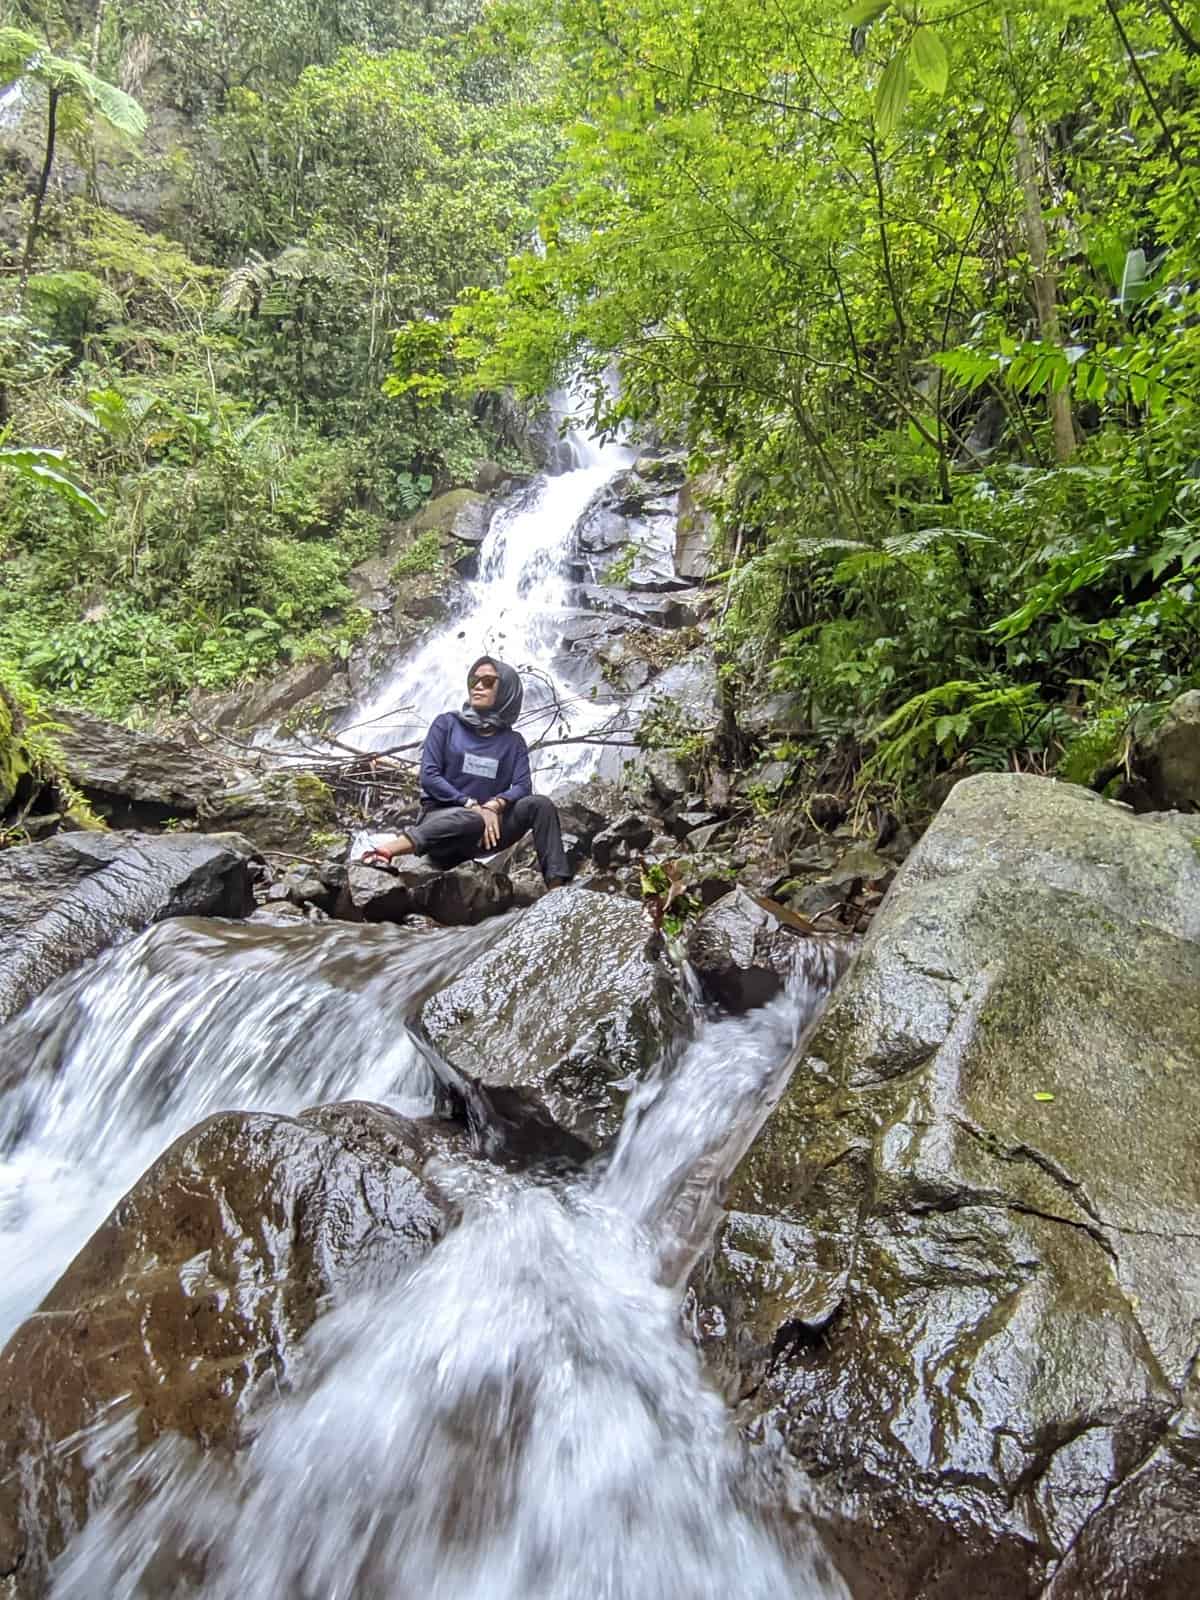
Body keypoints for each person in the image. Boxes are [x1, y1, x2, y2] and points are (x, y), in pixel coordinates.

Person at [361, 655, 571, 887]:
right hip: (442, 828)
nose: (478, 686)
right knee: (472, 818)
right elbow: (429, 776)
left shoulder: (513, 742)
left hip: (487, 833)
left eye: (488, 682)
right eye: (474, 680)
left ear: (506, 692)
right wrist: (470, 804)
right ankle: (385, 850)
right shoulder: (447, 724)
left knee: (540, 805)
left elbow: (523, 786)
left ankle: (556, 888)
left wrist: (494, 805)